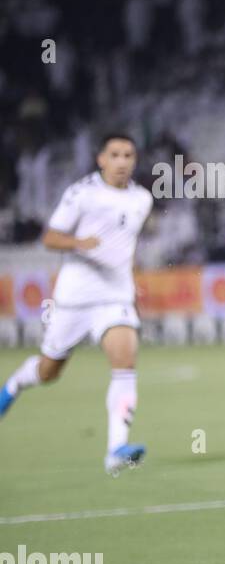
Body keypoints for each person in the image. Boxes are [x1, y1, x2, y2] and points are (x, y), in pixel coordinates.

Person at [0, 134, 152, 476]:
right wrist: (79, 242)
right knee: (48, 371)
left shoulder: (142, 199)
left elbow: (126, 248)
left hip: (115, 297)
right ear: (101, 159)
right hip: (75, 299)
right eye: (115, 154)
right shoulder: (81, 193)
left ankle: (116, 450)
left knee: (125, 361)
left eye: (128, 154)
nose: (122, 161)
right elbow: (50, 237)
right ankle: (13, 385)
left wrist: (132, 290)